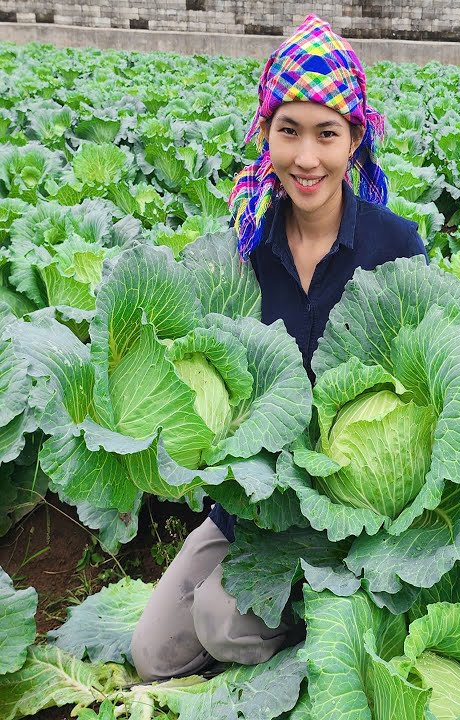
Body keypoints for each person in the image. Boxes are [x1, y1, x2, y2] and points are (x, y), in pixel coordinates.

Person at [130, 15, 427, 681]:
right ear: (266, 132)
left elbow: (435, 382)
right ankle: (296, 626)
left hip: (362, 513)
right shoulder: (243, 247)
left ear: (355, 138)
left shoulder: (396, 247)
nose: (307, 157)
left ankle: (327, 628)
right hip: (253, 508)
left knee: (223, 620)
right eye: (288, 130)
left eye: (327, 133)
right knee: (153, 655)